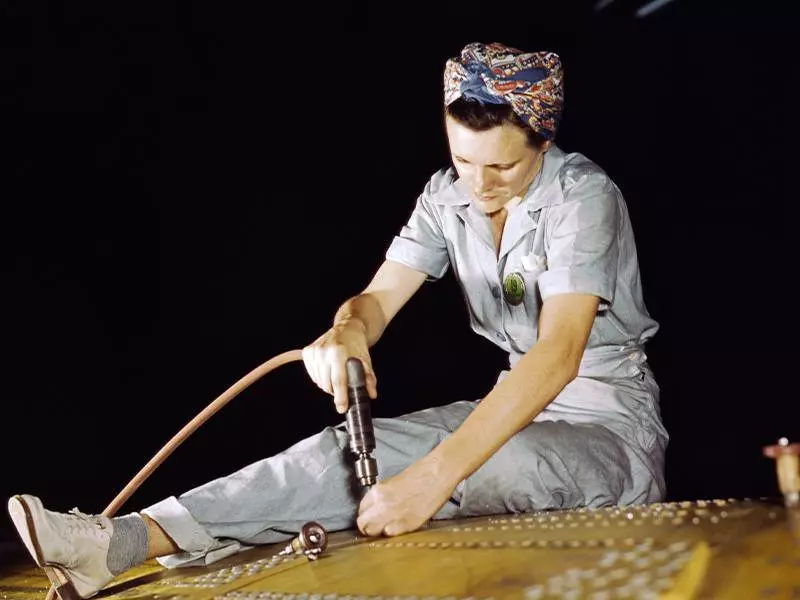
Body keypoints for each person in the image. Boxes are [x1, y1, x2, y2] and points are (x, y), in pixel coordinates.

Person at [7, 41, 668, 600]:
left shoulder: (583, 195)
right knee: (344, 455)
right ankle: (117, 543)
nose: (480, 184)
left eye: (503, 166)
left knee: (483, 466)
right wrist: (348, 331)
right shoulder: (446, 197)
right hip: (507, 404)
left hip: (606, 425)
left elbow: (557, 355)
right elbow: (377, 299)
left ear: (543, 142)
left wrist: (432, 479)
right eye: (465, 160)